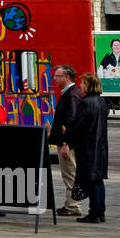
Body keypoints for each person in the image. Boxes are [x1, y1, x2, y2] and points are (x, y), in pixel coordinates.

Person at [68, 72, 109, 223]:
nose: (81, 86)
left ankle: (93, 214)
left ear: (89, 86)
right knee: (98, 180)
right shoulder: (102, 102)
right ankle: (100, 212)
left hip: (87, 147)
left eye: (83, 83)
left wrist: (68, 137)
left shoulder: (85, 103)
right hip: (101, 147)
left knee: (91, 180)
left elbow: (78, 126)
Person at [49, 63, 82, 217]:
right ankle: (69, 203)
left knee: (70, 173)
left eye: (58, 76)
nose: (54, 78)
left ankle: (73, 205)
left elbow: (71, 121)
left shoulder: (72, 95)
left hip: (67, 143)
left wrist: (65, 143)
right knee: (68, 173)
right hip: (65, 142)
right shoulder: (69, 93)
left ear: (67, 77)